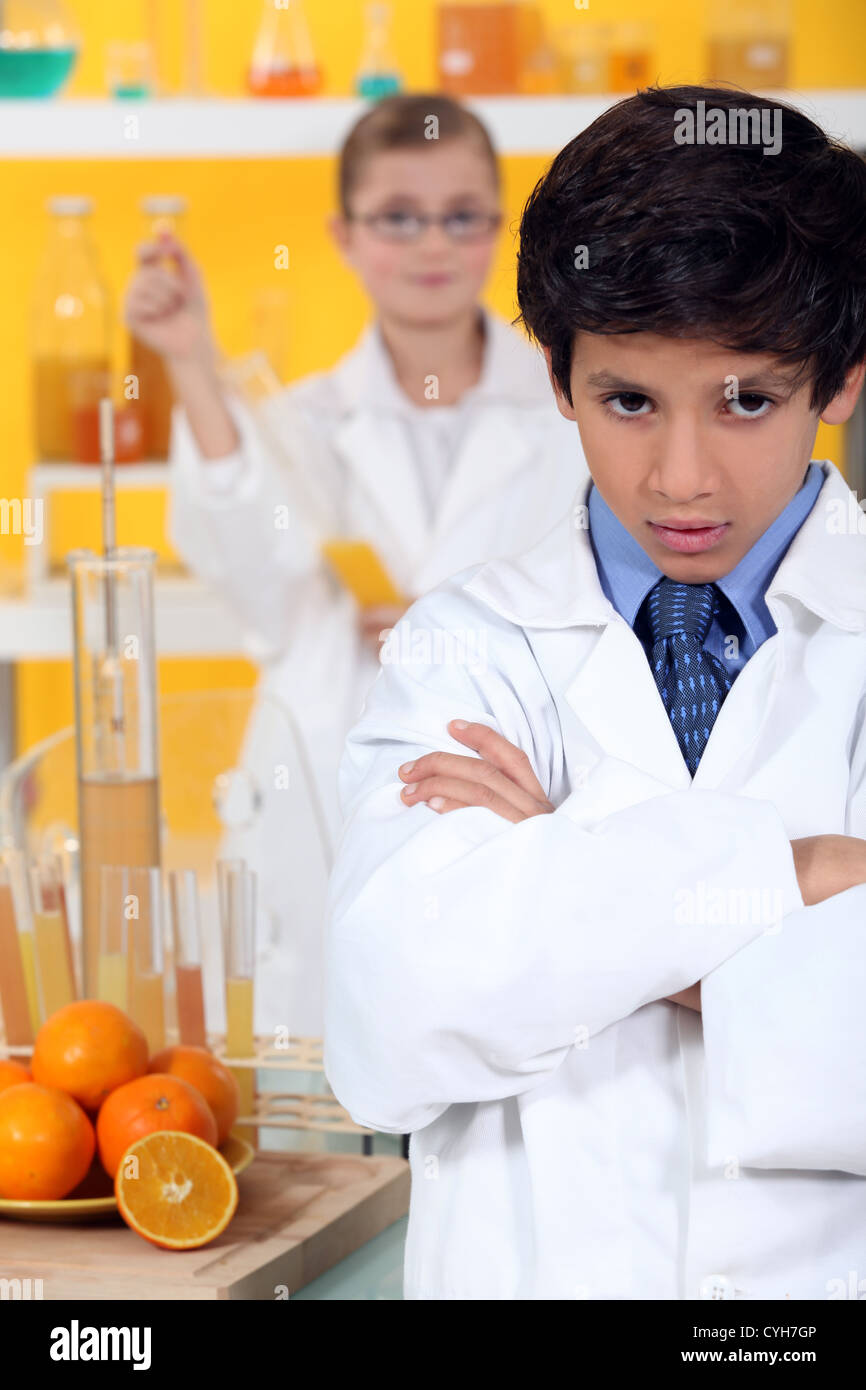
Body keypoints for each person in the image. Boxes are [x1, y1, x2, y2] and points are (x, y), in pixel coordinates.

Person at [323, 84, 866, 1300]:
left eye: (745, 400)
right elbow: (388, 1020)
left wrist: (566, 858)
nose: (680, 475)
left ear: (837, 379)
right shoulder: (463, 647)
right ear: (557, 379)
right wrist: (805, 876)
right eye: (628, 401)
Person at [123, 94, 588, 1036]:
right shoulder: (300, 423)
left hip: (511, 784)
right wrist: (192, 362)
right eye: (398, 218)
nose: (431, 244)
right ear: (342, 234)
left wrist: (453, 618)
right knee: (327, 1104)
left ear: (500, 227)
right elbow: (253, 570)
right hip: (321, 787)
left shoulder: (572, 409)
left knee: (493, 1065)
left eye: (461, 216)